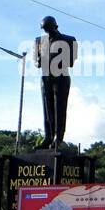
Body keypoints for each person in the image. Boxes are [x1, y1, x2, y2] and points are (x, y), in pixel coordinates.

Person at [33, 15, 77, 150]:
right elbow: (35, 61)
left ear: (55, 26)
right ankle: (48, 137)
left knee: (59, 108)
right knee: (47, 109)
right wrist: (39, 61)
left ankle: (59, 137)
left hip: (61, 77)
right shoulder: (39, 41)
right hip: (45, 77)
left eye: (48, 29)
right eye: (44, 29)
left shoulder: (69, 40)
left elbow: (71, 61)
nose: (46, 32)